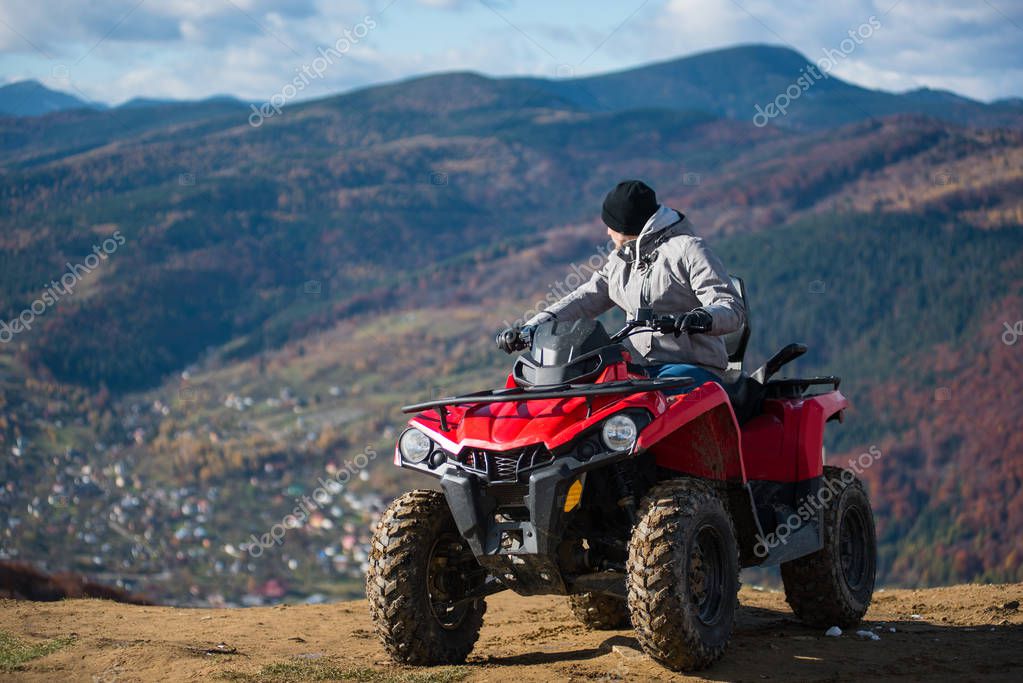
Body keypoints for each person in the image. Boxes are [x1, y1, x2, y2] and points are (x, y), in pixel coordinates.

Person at [497, 179, 745, 392]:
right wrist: (532, 328)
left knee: (659, 398)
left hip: (692, 368)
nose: (607, 232)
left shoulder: (688, 250)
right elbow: (584, 300)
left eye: (611, 225)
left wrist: (700, 318)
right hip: (636, 369)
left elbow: (731, 309)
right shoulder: (621, 260)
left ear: (627, 225)